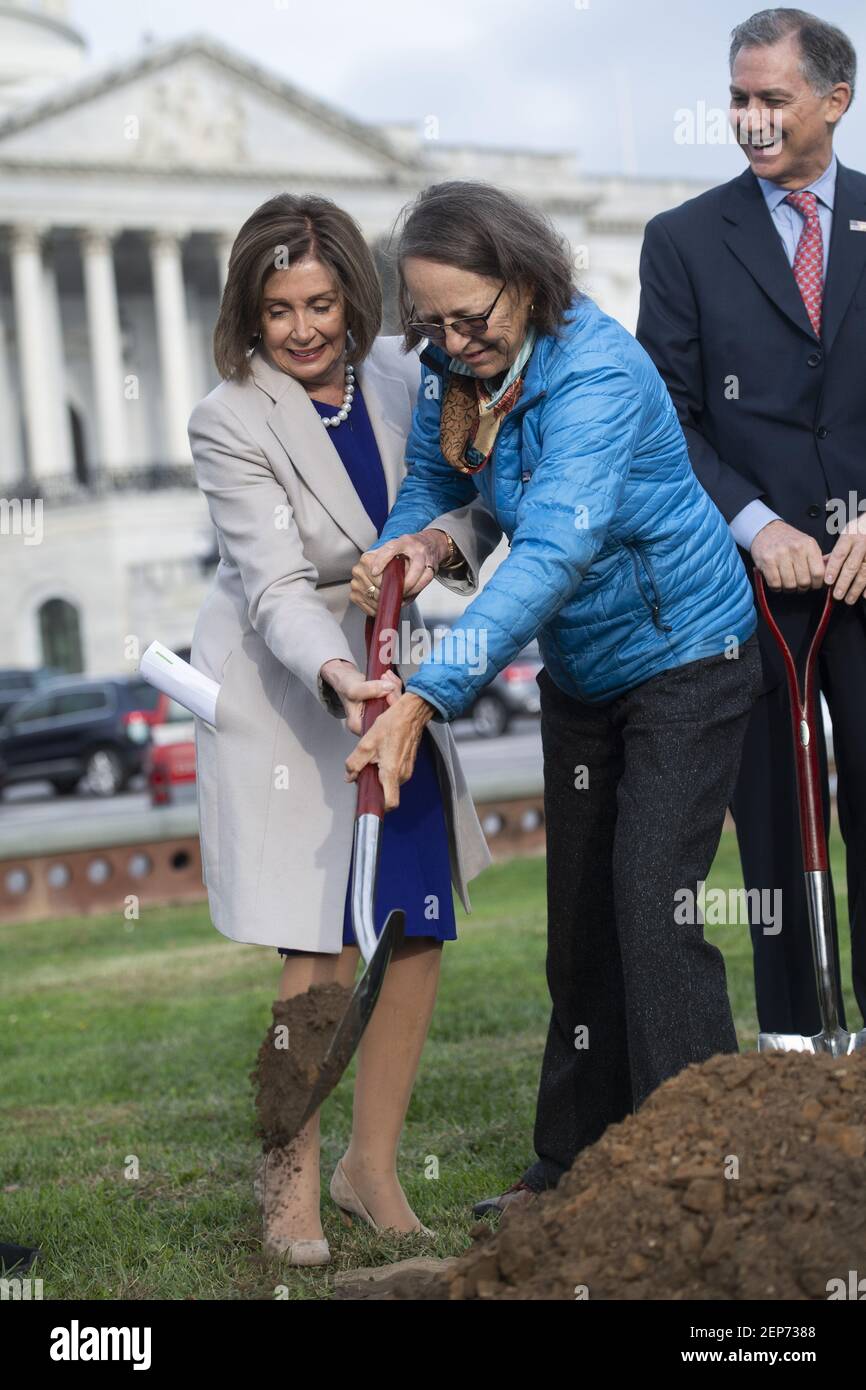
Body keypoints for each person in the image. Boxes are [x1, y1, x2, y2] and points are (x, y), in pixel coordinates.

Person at [346, 179, 764, 1214]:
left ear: (525, 280)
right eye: (429, 323)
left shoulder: (598, 374)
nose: (449, 341)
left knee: (650, 909)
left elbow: (551, 551)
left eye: (469, 318)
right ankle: (571, 1169)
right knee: (577, 928)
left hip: (687, 656)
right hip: (584, 673)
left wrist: (427, 694)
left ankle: (695, 1171)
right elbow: (436, 482)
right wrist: (410, 539)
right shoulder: (454, 366)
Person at [188, 192, 495, 1262]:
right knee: (316, 943)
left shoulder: (414, 380)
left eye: (321, 302)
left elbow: (472, 503)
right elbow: (271, 585)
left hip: (394, 671)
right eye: (279, 310)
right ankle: (287, 1184)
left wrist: (426, 555)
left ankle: (369, 1168)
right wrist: (334, 673)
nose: (305, 327)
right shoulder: (229, 417)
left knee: (413, 925)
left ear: (353, 297)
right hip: (297, 690)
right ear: (250, 312)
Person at [636, 8, 866, 1039]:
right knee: (772, 831)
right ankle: (790, 1048)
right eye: (738, 98)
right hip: (752, 591)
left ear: (834, 99)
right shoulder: (680, 241)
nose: (749, 119)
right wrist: (754, 522)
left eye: (771, 98)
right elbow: (668, 417)